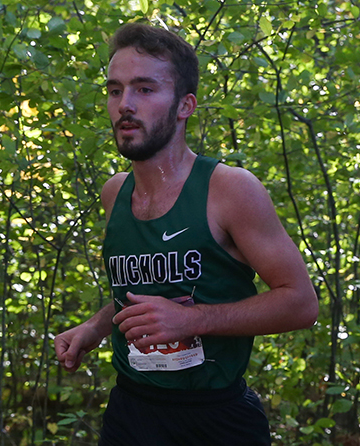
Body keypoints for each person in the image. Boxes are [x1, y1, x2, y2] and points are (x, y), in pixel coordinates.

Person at [54, 22, 318, 445]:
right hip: (130, 413)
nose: (125, 105)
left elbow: (301, 303)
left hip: (215, 419)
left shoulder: (229, 190)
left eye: (144, 89)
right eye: (114, 90)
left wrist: (192, 320)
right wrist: (97, 326)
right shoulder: (115, 193)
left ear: (184, 105)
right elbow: (152, 286)